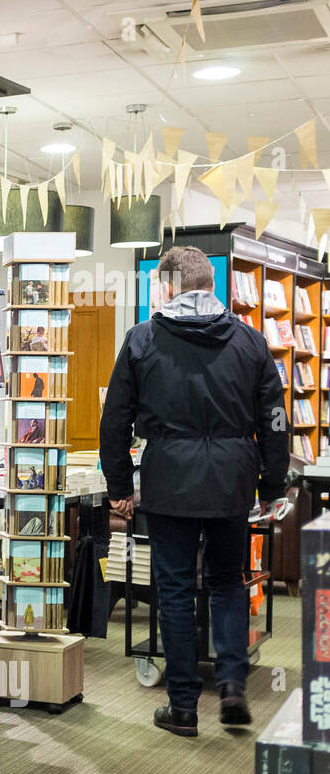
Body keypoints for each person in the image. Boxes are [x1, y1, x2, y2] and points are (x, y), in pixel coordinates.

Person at [100, 245, 288, 739]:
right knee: (228, 582)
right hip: (232, 484)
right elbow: (275, 420)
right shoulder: (250, 342)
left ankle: (183, 707)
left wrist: (119, 485)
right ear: (213, 284)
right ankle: (230, 685)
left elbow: (114, 420)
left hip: (169, 485)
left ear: (167, 287)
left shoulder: (142, 340)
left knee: (177, 592)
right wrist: (273, 485)